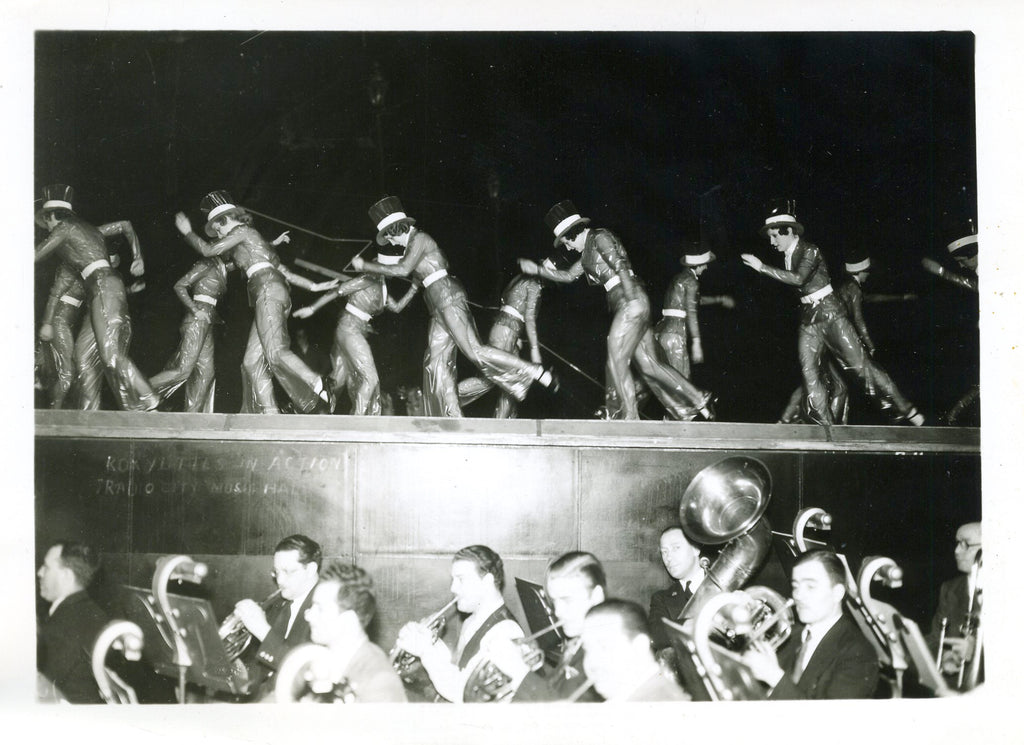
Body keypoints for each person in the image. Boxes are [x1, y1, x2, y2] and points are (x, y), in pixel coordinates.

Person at [352, 197, 557, 417]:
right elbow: (390, 262)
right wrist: (371, 263)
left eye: (389, 237)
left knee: (475, 351)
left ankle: (536, 371)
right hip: (436, 305)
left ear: (395, 229)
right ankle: (452, 414)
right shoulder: (410, 246)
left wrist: (366, 265)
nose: (391, 243)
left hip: (448, 297)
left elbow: (402, 269)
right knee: (436, 361)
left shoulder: (420, 238)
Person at [519, 200, 715, 421]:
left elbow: (621, 266)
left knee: (616, 358)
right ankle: (699, 398)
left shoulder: (599, 236)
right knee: (650, 365)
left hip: (631, 300)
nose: (567, 247)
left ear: (573, 234)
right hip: (630, 303)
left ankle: (630, 416)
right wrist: (538, 270)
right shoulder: (585, 256)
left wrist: (631, 301)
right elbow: (567, 276)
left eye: (566, 241)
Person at [741, 199, 923, 426]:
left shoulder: (810, 250)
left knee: (860, 367)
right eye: (770, 236)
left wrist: (761, 267)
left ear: (789, 232)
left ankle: (908, 411)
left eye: (775, 235)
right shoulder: (787, 254)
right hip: (809, 319)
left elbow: (799, 279)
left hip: (831, 315)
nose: (772, 241)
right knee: (809, 372)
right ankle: (823, 426)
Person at [174, 191, 339, 414]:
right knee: (251, 361)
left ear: (224, 220)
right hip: (271, 292)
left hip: (267, 292)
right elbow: (284, 271)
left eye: (218, 228)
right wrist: (314, 286)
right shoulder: (251, 241)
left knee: (276, 352)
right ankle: (270, 412)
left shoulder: (241, 231)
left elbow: (209, 250)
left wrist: (188, 233)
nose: (219, 233)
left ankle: (319, 384)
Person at [34, 184, 158, 412]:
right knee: (82, 356)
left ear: (53, 216)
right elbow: (125, 225)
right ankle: (90, 412)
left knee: (111, 354)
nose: (48, 227)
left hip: (102, 288)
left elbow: (36, 255)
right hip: (102, 292)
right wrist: (137, 256)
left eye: (48, 221)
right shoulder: (90, 230)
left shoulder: (64, 227)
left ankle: (148, 397)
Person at [293, 248, 420, 415]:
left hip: (353, 329)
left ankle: (303, 408)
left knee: (337, 381)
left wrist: (414, 287)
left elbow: (396, 308)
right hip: (350, 328)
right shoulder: (369, 278)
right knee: (371, 378)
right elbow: (338, 290)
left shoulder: (382, 287)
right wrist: (312, 308)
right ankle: (358, 418)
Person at [741, 549, 880, 699]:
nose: (797, 595)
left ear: (837, 593)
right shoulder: (791, 634)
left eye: (810, 586)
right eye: (795, 586)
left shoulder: (858, 653)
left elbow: (826, 721)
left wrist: (773, 676)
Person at [392, 545, 523, 703]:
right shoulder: (471, 620)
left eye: (461, 579)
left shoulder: (506, 632)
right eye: (453, 580)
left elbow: (466, 694)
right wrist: (429, 641)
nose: (453, 588)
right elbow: (458, 670)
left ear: (487, 581)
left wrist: (426, 651)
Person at [484, 551, 607, 702]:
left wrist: (520, 673)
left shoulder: (608, 649)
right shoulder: (577, 641)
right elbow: (559, 689)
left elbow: (566, 717)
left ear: (596, 596)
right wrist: (532, 668)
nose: (558, 611)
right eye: (554, 601)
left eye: (567, 600)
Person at [279, 560, 407, 702]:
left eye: (320, 609)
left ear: (349, 620)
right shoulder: (310, 660)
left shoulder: (380, 681)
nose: (308, 616)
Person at [230, 534, 322, 699]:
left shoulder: (327, 608)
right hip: (262, 695)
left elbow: (306, 670)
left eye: (288, 572)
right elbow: (257, 664)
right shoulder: (279, 603)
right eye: (277, 572)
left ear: (311, 569)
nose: (280, 580)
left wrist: (262, 630)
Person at [148, 256, 232, 412]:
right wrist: (195, 310)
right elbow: (179, 285)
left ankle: (191, 415)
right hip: (196, 320)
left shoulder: (220, 268)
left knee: (206, 372)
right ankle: (140, 391)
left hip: (208, 320)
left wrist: (272, 244)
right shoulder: (205, 264)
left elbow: (241, 262)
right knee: (183, 370)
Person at [456, 272, 544, 418]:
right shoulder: (534, 284)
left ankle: (503, 421)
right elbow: (529, 318)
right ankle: (446, 398)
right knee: (493, 379)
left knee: (507, 382)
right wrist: (535, 349)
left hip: (507, 330)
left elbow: (510, 303)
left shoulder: (523, 278)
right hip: (506, 331)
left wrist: (516, 337)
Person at [37, 541, 108, 703]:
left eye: (46, 567)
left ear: (67, 576)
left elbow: (38, 690)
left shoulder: (62, 624)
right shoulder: (94, 613)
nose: (40, 572)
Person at [581, 600, 690, 702]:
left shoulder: (661, 706)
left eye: (604, 646)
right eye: (587, 649)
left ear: (640, 646)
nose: (592, 662)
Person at [654, 242, 734, 381]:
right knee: (683, 384)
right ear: (698, 265)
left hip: (661, 332)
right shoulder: (692, 282)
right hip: (675, 336)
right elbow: (691, 312)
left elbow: (697, 300)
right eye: (704, 264)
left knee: (665, 383)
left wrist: (719, 299)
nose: (706, 267)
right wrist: (697, 342)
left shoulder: (680, 278)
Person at [926, 522, 982, 681]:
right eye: (958, 543)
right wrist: (944, 656)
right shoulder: (950, 588)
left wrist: (978, 653)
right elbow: (936, 637)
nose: (956, 551)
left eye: (966, 545)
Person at [648, 526, 706, 654]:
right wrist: (697, 624)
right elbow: (655, 634)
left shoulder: (726, 584)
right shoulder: (661, 598)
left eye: (676, 548)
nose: (668, 558)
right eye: (664, 551)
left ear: (695, 549)